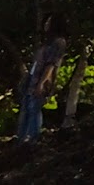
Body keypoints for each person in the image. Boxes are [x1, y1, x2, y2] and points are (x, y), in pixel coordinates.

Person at [15, 13, 67, 142]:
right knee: (26, 111)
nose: (46, 24)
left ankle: (32, 139)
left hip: (40, 81)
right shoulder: (46, 42)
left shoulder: (58, 42)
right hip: (32, 80)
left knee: (34, 111)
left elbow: (51, 65)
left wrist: (42, 83)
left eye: (49, 22)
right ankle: (21, 140)